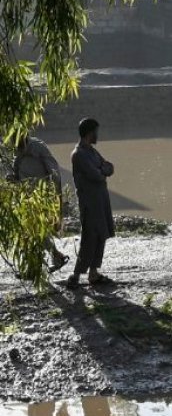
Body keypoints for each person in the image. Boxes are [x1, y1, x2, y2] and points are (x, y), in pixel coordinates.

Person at [66, 118, 115, 289]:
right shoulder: (79, 154)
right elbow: (97, 175)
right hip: (89, 203)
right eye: (96, 132)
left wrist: (103, 170)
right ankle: (76, 275)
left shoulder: (92, 152)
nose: (97, 135)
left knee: (100, 235)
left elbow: (110, 167)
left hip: (100, 201)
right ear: (89, 133)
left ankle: (93, 274)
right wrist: (103, 171)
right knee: (89, 238)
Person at [10, 135, 69, 273]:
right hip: (26, 199)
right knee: (31, 232)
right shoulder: (17, 153)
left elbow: (54, 173)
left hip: (42, 198)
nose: (17, 145)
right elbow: (19, 176)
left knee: (34, 231)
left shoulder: (38, 147)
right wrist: (13, 180)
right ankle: (50, 259)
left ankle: (36, 266)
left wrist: (57, 201)